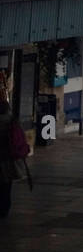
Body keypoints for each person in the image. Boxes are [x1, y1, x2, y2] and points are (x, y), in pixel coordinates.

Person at [0, 83, 30, 218]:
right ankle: (5, 208)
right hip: (9, 158)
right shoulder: (12, 121)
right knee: (6, 185)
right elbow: (20, 138)